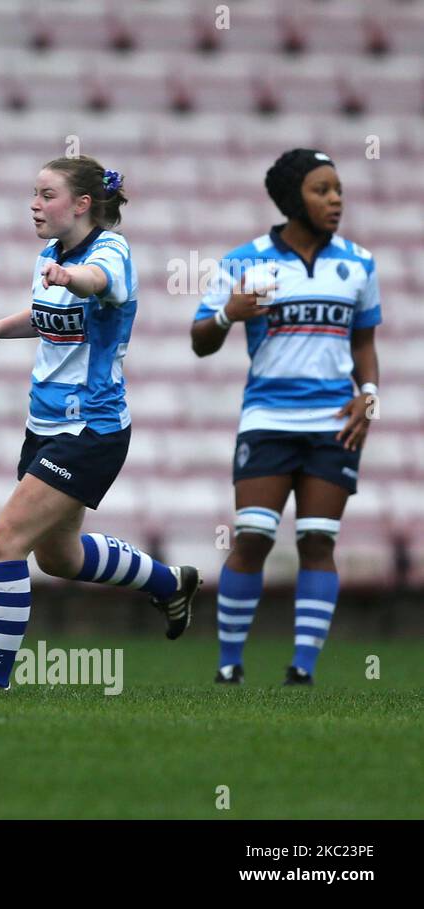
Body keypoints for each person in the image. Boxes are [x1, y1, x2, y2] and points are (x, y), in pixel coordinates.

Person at [0, 155, 200, 692]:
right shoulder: (49, 254)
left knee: (5, 541)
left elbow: (98, 284)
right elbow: (48, 315)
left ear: (83, 204)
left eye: (46, 194)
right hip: (44, 425)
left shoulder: (110, 252)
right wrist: (0, 327)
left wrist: (74, 277)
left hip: (91, 429)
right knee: (60, 556)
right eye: (34, 193)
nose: (34, 204)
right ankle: (170, 582)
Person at [191, 148, 381, 687]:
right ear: (292, 197)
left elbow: (365, 342)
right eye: (323, 190)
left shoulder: (359, 263)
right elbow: (200, 340)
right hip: (268, 419)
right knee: (252, 536)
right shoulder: (244, 261)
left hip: (333, 424)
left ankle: (303, 669)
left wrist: (369, 394)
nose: (336, 199)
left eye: (338, 189)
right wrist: (229, 312)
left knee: (318, 540)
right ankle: (230, 664)